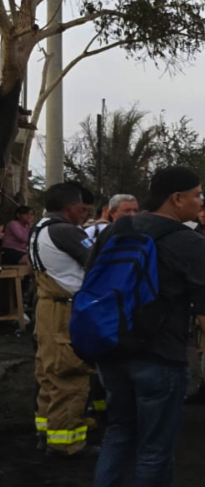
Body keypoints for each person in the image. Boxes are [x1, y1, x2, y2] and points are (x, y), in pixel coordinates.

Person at [92, 167, 205, 486]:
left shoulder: (114, 231)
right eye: (197, 195)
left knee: (118, 433)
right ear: (177, 198)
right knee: (154, 448)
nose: (202, 202)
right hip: (161, 356)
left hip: (112, 349)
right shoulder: (190, 241)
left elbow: (92, 284)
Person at [29, 182, 96, 457]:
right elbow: (97, 261)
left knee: (48, 371)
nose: (84, 213)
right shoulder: (66, 231)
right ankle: (66, 442)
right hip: (65, 311)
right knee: (69, 373)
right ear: (70, 207)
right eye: (81, 208)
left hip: (46, 309)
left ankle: (46, 428)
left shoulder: (40, 229)